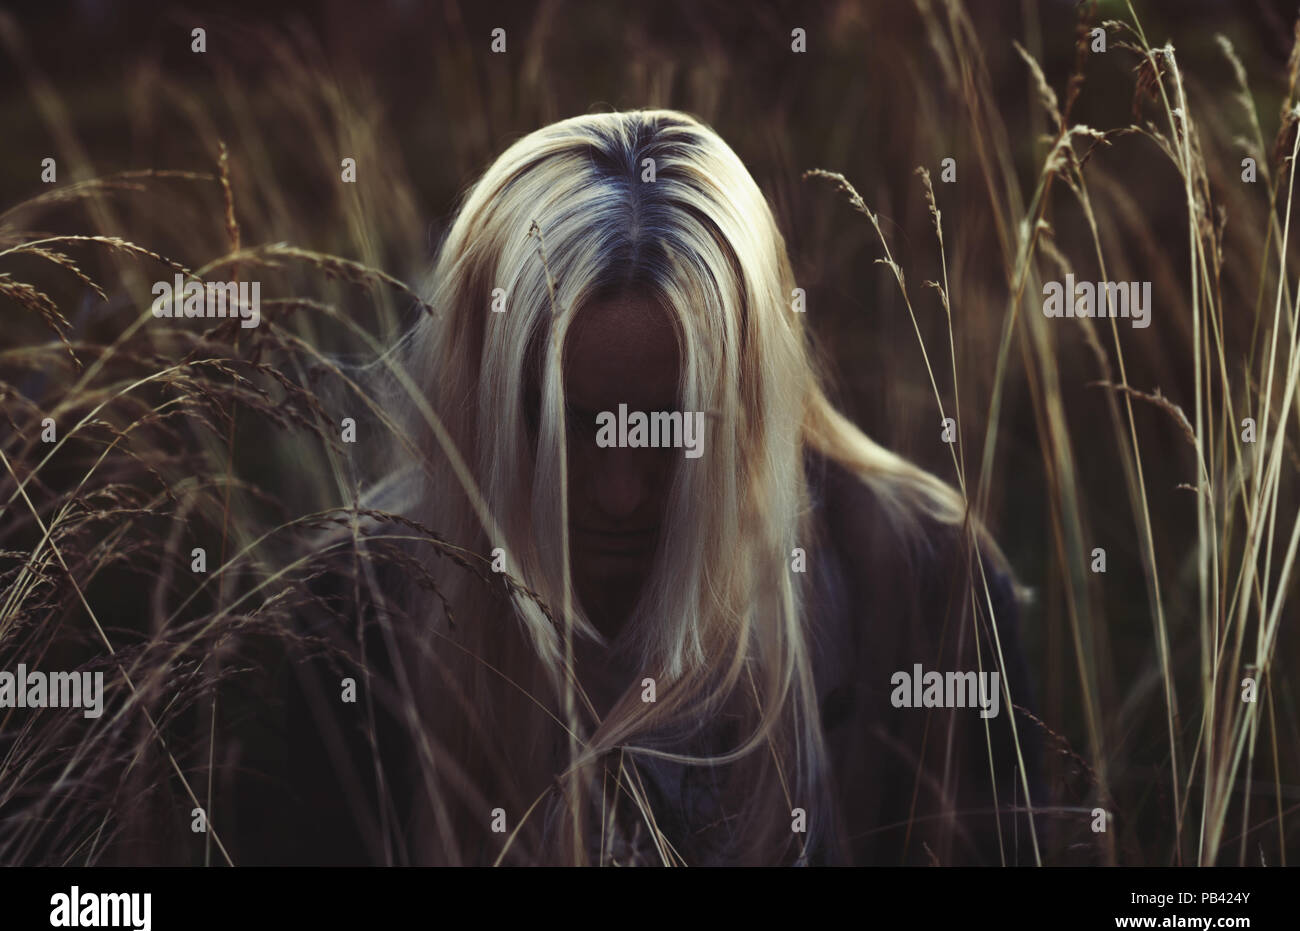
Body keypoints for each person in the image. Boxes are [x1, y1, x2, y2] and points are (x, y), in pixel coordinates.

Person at [281, 108, 1042, 866]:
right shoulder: (355, 610)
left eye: (671, 428)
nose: (620, 493)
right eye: (570, 426)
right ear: (481, 405)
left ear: (752, 402)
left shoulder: (924, 587)